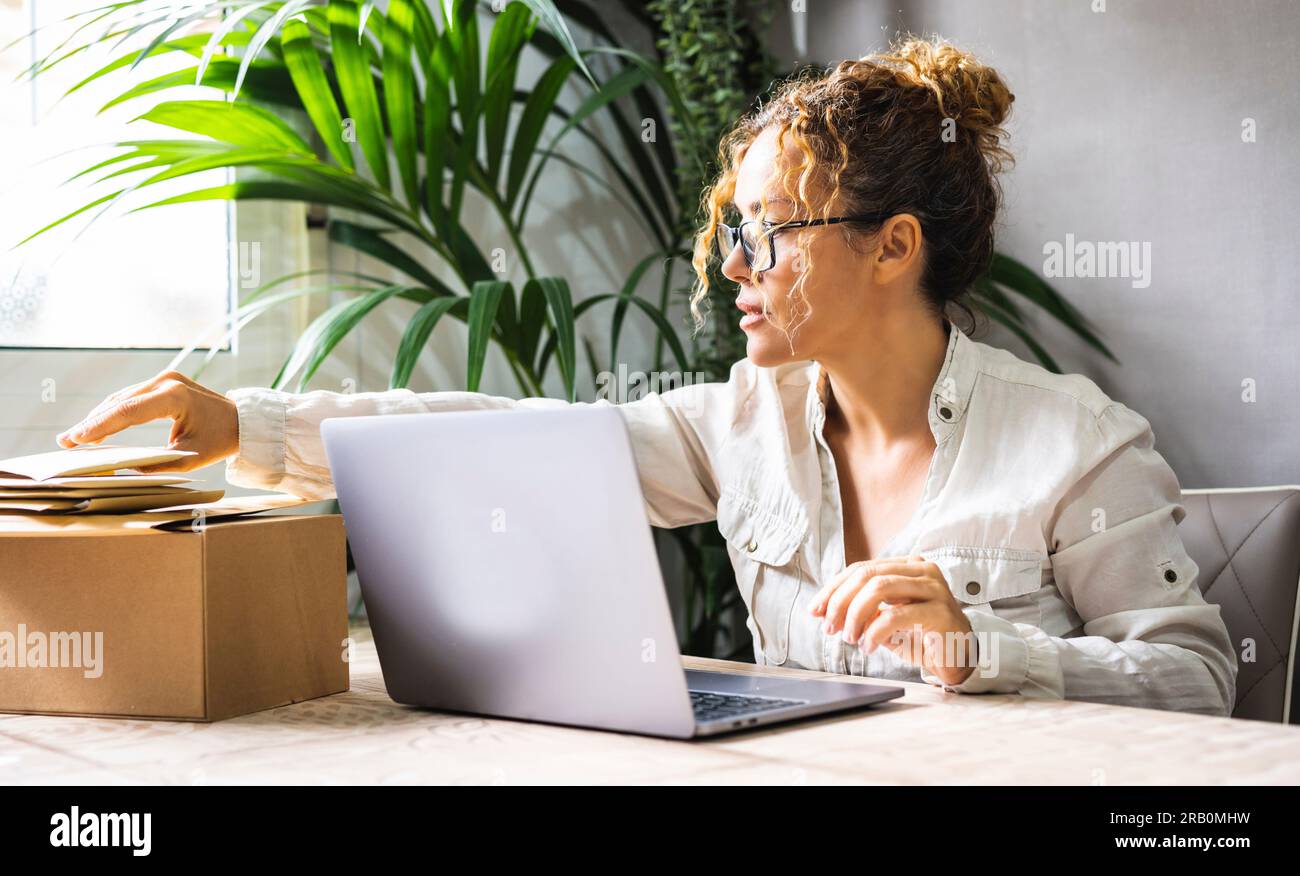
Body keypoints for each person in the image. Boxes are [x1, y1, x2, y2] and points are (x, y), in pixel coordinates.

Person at [56, 37, 1237, 716]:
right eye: (737, 227)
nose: (735, 262)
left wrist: (986, 648)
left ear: (892, 246)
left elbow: (1200, 679)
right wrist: (244, 422)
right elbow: (499, 435)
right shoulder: (738, 426)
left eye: (772, 230)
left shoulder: (1077, 444)